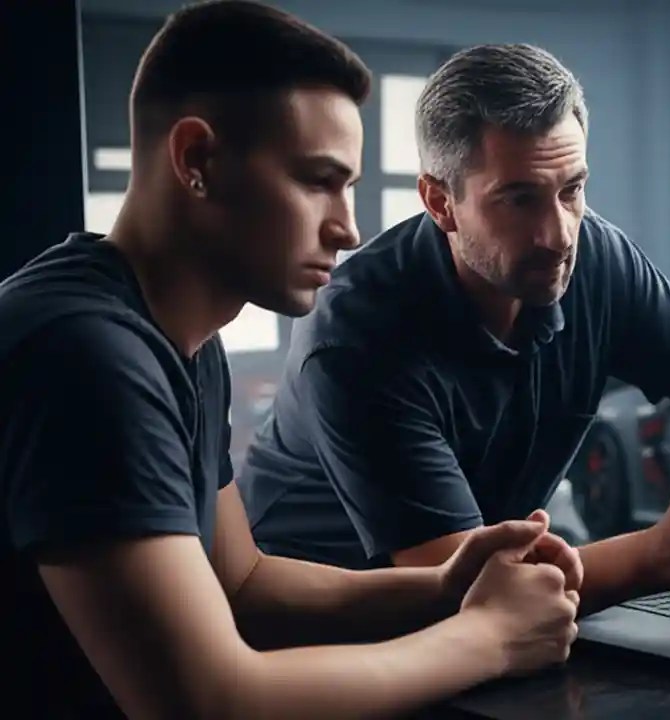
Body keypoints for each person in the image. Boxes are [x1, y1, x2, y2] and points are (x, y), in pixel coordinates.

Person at [0, 4, 582, 718]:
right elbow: (205, 701)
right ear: (196, 161)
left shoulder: (178, 338)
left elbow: (241, 583)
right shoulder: (86, 352)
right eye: (318, 181)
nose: (348, 228)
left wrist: (444, 588)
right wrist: (487, 638)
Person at [237, 42, 670, 613]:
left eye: (572, 190)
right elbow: (469, 588)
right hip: (326, 625)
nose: (558, 236)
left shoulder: (594, 256)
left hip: (484, 605)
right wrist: (659, 550)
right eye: (519, 200)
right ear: (440, 201)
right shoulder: (355, 337)